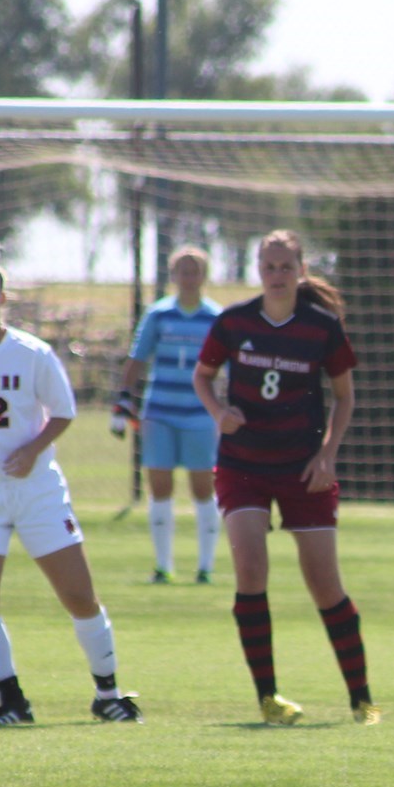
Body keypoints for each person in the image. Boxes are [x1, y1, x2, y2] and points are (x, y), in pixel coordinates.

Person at [0, 241, 141, 725]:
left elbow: (64, 413)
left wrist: (32, 450)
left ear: (3, 298)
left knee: (78, 595)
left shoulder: (31, 354)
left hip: (37, 489)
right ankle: (11, 700)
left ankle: (109, 695)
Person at [194, 229, 377, 725]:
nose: (276, 275)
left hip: (303, 468)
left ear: (300, 270)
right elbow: (202, 376)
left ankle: (362, 700)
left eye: (284, 266)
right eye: (268, 266)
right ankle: (268, 699)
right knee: (250, 571)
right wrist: (218, 412)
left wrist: (327, 454)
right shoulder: (234, 321)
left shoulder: (322, 326)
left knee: (325, 586)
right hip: (242, 465)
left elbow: (344, 396)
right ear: (258, 269)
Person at [114, 245, 223, 584]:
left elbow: (230, 367)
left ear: (204, 276)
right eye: (182, 271)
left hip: (200, 415)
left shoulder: (216, 318)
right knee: (160, 489)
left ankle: (205, 567)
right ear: (173, 276)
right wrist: (121, 401)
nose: (189, 278)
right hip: (159, 412)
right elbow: (137, 358)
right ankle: (163, 566)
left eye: (195, 271)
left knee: (203, 489)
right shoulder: (158, 314)